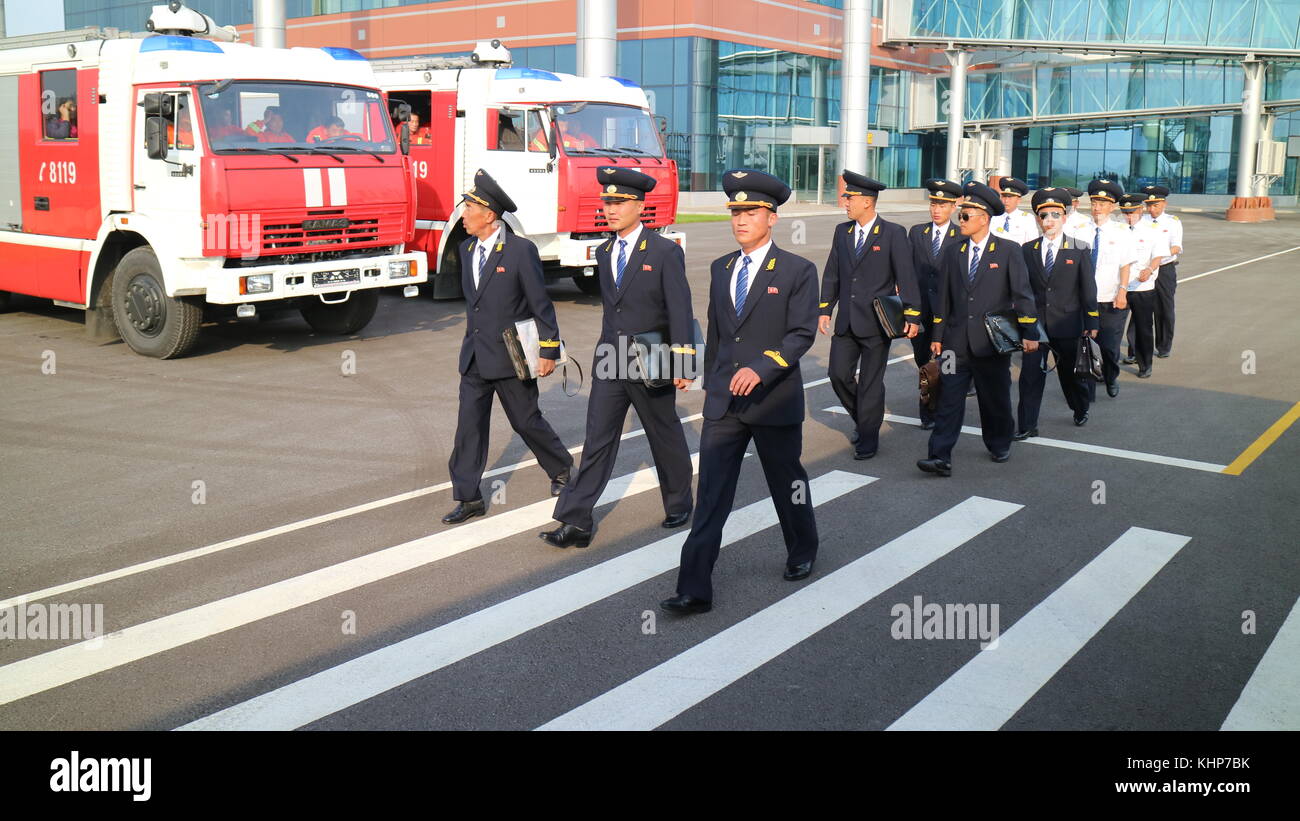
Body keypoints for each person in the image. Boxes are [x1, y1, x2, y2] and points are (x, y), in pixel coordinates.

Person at [661, 170, 819, 615]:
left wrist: (763, 367)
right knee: (711, 493)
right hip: (724, 402)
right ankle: (694, 586)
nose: (741, 219)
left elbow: (802, 333)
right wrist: (699, 374)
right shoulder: (722, 267)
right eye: (735, 211)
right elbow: (717, 334)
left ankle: (803, 547)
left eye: (751, 212)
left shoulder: (797, 270)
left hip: (773, 400)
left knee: (787, 483)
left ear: (772, 217)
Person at [540, 167, 696, 548]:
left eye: (619, 202)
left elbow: (679, 306)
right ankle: (576, 520)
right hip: (611, 358)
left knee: (664, 433)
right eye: (607, 201)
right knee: (597, 439)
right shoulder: (606, 250)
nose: (610, 208)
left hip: (653, 358)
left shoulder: (664, 251)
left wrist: (684, 360)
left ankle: (679, 502)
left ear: (639, 206)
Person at [441, 170, 574, 525]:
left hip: (511, 357)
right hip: (475, 358)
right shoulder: (466, 249)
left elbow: (540, 303)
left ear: (489, 214)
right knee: (468, 427)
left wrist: (548, 349)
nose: (463, 214)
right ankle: (468, 497)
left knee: (525, 421)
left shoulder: (520, 251)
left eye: (469, 208)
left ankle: (561, 468)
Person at [917, 180, 1039, 478]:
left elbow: (1023, 294)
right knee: (948, 399)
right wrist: (937, 336)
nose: (961, 220)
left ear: (984, 218)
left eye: (966, 215)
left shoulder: (1009, 251)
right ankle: (939, 455)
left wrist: (1030, 333)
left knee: (994, 398)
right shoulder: (953, 251)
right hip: (955, 343)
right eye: (961, 215)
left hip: (991, 342)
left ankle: (999, 442)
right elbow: (943, 298)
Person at [818, 170, 921, 459]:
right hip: (847, 320)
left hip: (878, 323)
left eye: (849, 198)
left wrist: (912, 315)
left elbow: (907, 276)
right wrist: (825, 307)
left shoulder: (893, 233)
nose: (845, 203)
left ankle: (868, 436)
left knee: (871, 383)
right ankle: (865, 420)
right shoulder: (843, 231)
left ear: (867, 202)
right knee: (837, 375)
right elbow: (833, 273)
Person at [1014, 187, 1099, 440]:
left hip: (1068, 323)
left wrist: (1091, 320)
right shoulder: (1027, 249)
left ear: (1064, 217)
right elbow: (1022, 288)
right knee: (1030, 377)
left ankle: (1080, 406)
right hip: (1035, 326)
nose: (1049, 221)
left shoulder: (1079, 248)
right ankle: (1027, 424)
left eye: (1054, 215)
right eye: (1044, 216)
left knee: (1070, 375)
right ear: (1037, 219)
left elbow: (1088, 288)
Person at [907, 178, 963, 429]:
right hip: (920, 312)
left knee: (945, 363)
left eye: (942, 204)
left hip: (948, 313)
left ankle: (936, 412)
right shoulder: (918, 232)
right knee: (924, 363)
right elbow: (907, 271)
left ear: (954, 207)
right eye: (933, 203)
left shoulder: (961, 235)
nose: (936, 209)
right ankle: (930, 404)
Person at [1081, 179, 1135, 401]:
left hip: (1110, 298)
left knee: (1109, 347)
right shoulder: (1081, 230)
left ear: (1112, 206)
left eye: (1103, 203)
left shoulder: (1121, 231)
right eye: (1094, 202)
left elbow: (1126, 264)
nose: (1097, 207)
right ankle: (1089, 387)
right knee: (1086, 345)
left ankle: (1111, 377)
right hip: (1085, 299)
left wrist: (1122, 291)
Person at [1118, 192, 1169, 379]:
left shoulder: (1152, 230)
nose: (1129, 216)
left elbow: (1158, 255)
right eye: (1125, 212)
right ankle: (1110, 360)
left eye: (1132, 212)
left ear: (1140, 210)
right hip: (1119, 288)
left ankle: (1145, 364)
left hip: (1142, 287)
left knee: (1143, 328)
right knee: (1114, 327)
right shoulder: (1118, 229)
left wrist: (1149, 269)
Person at [1139, 184, 1182, 359]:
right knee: (1139, 309)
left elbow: (1176, 247)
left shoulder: (1172, 222)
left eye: (1155, 205)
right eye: (1149, 205)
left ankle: (1164, 345)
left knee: (1164, 308)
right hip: (1143, 269)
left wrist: (1156, 258)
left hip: (1164, 269)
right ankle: (1136, 348)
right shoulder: (1141, 221)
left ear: (1164, 203)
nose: (1151, 209)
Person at [989, 177, 1038, 245]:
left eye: (1010, 197)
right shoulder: (993, 217)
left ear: (1018, 200)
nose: (1006, 201)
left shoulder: (1027, 219)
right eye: (1004, 196)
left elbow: (1031, 244)